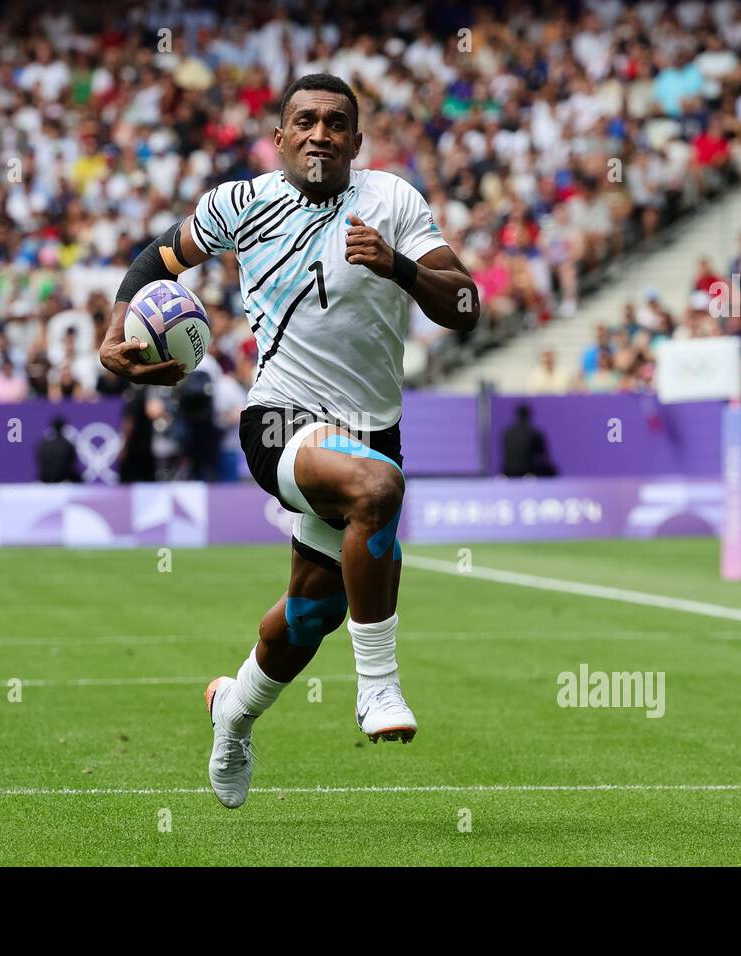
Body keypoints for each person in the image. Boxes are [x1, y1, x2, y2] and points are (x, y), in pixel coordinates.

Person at [100, 74, 479, 809]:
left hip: (370, 429)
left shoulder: (394, 202)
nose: (320, 133)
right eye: (304, 120)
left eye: (337, 123)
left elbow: (464, 305)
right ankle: (378, 688)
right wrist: (114, 337)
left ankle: (231, 713)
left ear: (356, 143)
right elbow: (156, 260)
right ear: (278, 138)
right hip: (279, 417)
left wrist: (397, 266)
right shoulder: (241, 204)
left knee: (311, 613)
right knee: (378, 489)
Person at [501, 405, 558, 478]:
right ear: (529, 416)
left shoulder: (506, 433)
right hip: (529, 471)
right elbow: (543, 457)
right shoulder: (534, 433)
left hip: (509, 471)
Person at [35, 416, 80, 483]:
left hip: (46, 480)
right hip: (63, 480)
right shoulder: (67, 445)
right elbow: (71, 465)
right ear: (63, 428)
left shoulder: (43, 445)